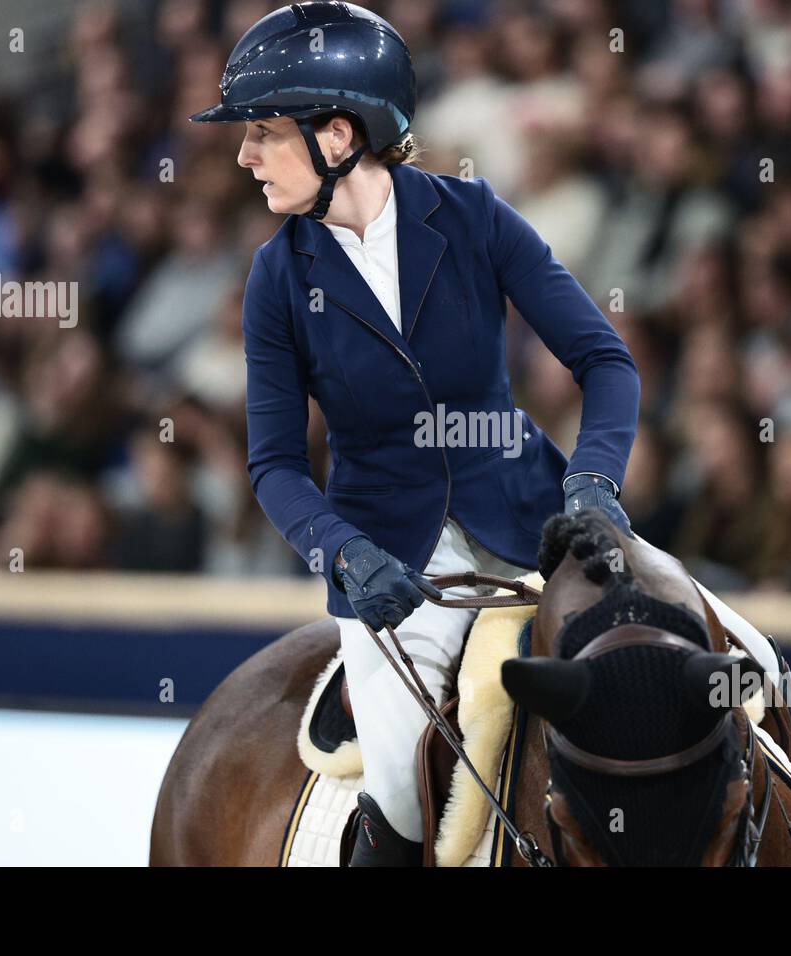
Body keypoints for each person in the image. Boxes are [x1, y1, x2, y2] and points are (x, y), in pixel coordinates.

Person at [192, 2, 639, 866]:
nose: (244, 156)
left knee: (722, 652)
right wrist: (342, 552)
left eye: (262, 133)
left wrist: (593, 481)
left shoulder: (472, 218)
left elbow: (605, 362)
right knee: (399, 788)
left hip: (537, 525)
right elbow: (276, 465)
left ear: (336, 135)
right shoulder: (277, 278)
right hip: (395, 572)